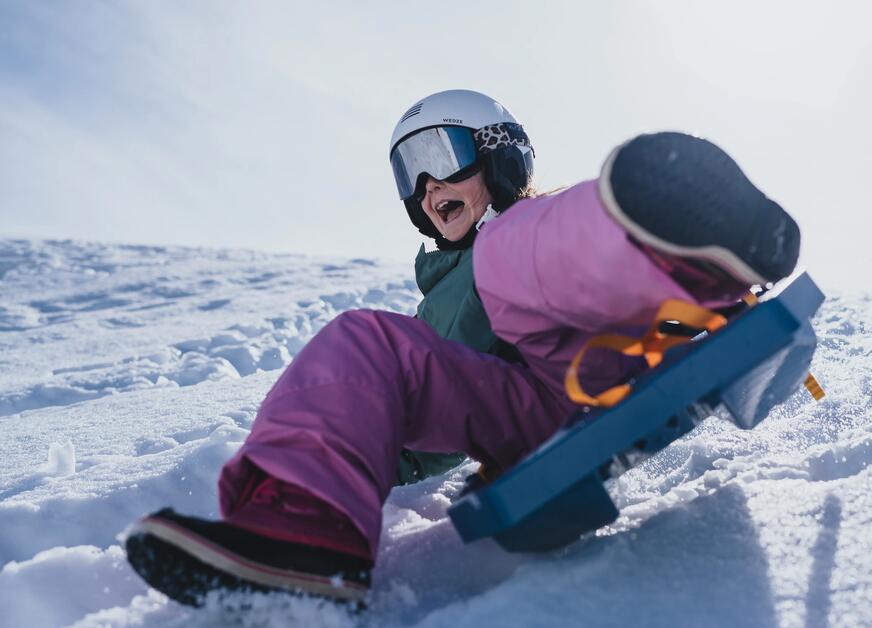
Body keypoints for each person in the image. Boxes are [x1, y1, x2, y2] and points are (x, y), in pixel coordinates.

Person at [123, 89, 802, 605]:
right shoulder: (441, 292)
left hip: (611, 347)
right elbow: (430, 400)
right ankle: (305, 534)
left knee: (511, 247)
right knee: (364, 340)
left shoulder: (516, 228)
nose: (425, 189)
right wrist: (380, 442)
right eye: (407, 175)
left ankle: (685, 246)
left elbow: (539, 248)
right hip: (529, 409)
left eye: (438, 157)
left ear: (501, 154)